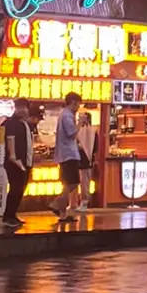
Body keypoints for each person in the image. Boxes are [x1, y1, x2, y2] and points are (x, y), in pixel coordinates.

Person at [53, 92, 85, 226]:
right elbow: (72, 134)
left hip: (66, 153)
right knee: (73, 182)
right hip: (68, 154)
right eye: (77, 103)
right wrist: (80, 123)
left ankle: (62, 213)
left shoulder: (66, 115)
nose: (78, 106)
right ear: (72, 102)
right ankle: (57, 204)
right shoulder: (67, 116)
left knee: (68, 182)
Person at [1, 99, 33, 231]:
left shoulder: (24, 123)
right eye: (19, 107)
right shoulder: (11, 123)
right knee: (15, 189)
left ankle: (12, 215)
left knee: (20, 189)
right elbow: (10, 139)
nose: (22, 110)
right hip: (15, 162)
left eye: (24, 107)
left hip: (25, 161)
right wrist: (14, 158)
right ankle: (8, 216)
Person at [75, 107, 98, 213]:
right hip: (78, 160)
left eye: (82, 117)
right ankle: (75, 203)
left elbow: (95, 148)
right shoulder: (79, 130)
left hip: (85, 161)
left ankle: (84, 202)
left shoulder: (91, 131)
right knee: (76, 183)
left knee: (84, 183)